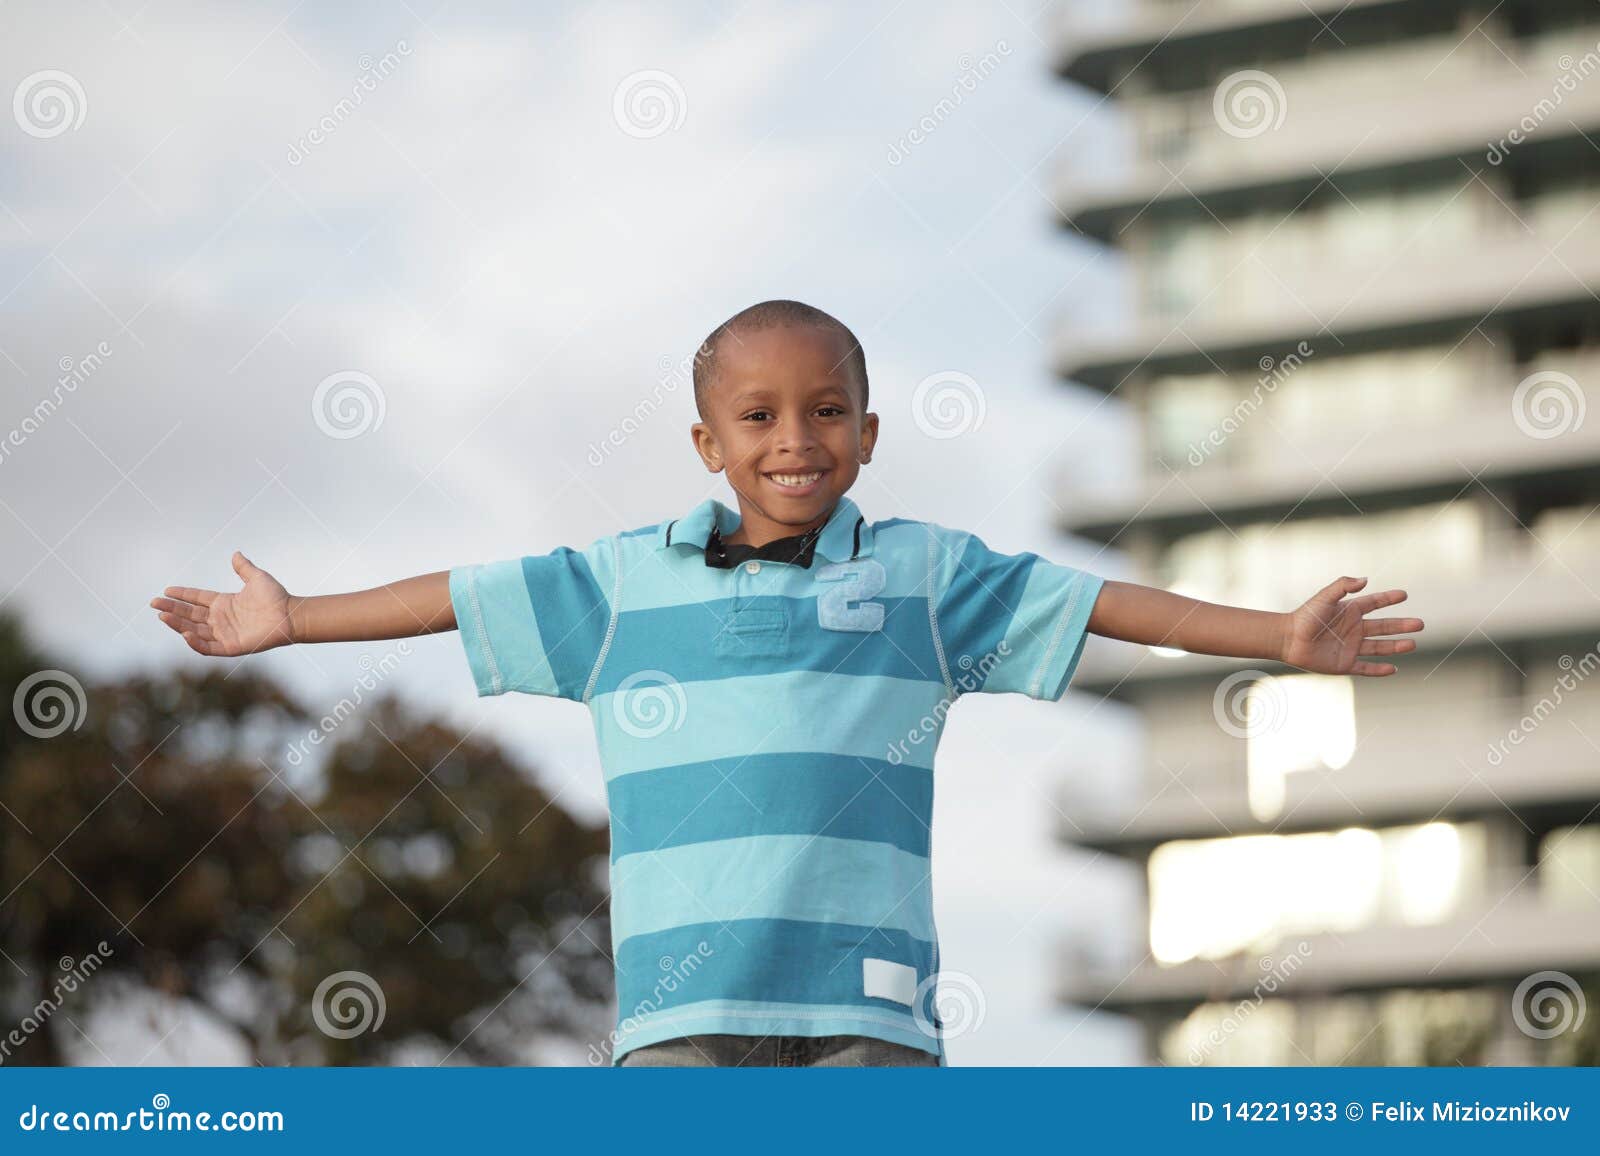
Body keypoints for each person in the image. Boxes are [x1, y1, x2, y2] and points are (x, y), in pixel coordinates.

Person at [149, 299, 1424, 1067]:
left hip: (869, 1006)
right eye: (757, 418)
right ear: (709, 444)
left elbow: (1098, 602)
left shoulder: (928, 575)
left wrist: (1276, 634)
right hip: (676, 1009)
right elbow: (456, 594)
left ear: (867, 433)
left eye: (825, 411)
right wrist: (295, 618)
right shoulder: (623, 585)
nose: (794, 440)